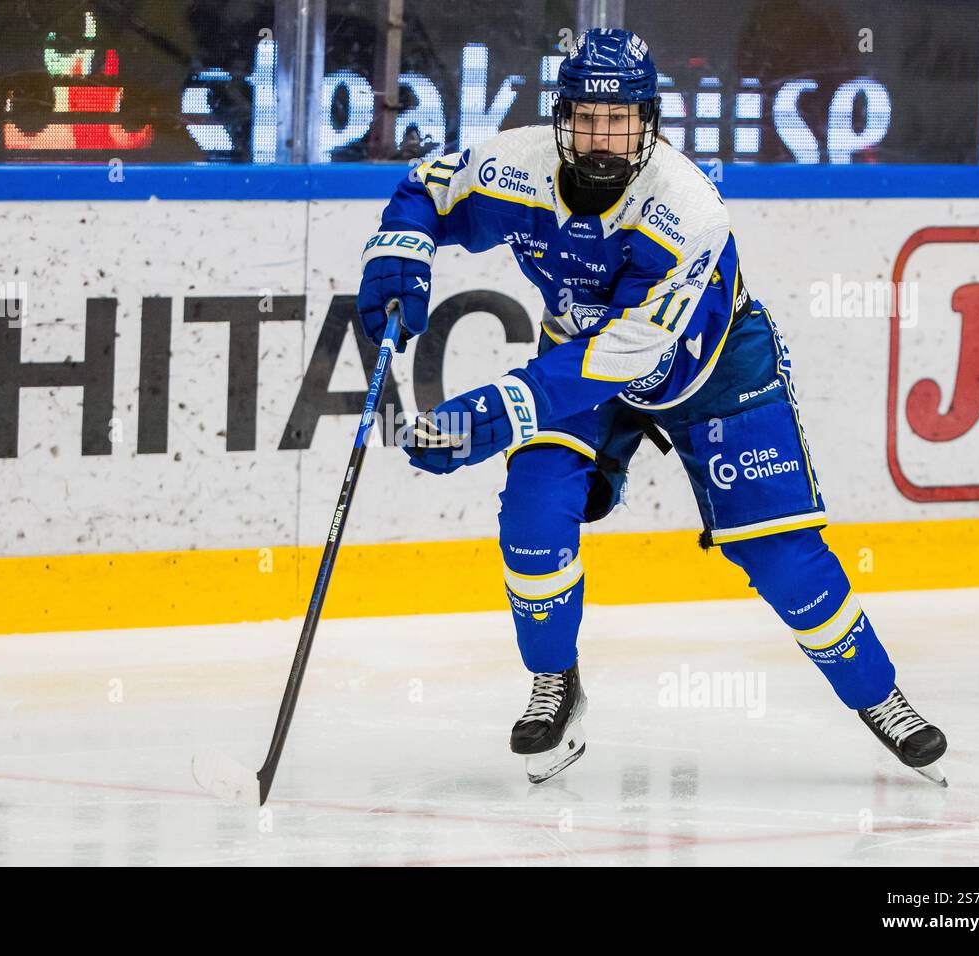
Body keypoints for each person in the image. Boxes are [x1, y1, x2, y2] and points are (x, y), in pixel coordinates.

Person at [356, 28, 948, 786]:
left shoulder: (689, 210)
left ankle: (882, 697)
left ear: (650, 122)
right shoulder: (519, 162)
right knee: (533, 518)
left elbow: (631, 355)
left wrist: (494, 415)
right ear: (562, 114)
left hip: (711, 371)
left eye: (622, 118)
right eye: (588, 117)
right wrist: (400, 249)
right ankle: (555, 686)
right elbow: (430, 187)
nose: (604, 136)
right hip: (578, 357)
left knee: (784, 561)